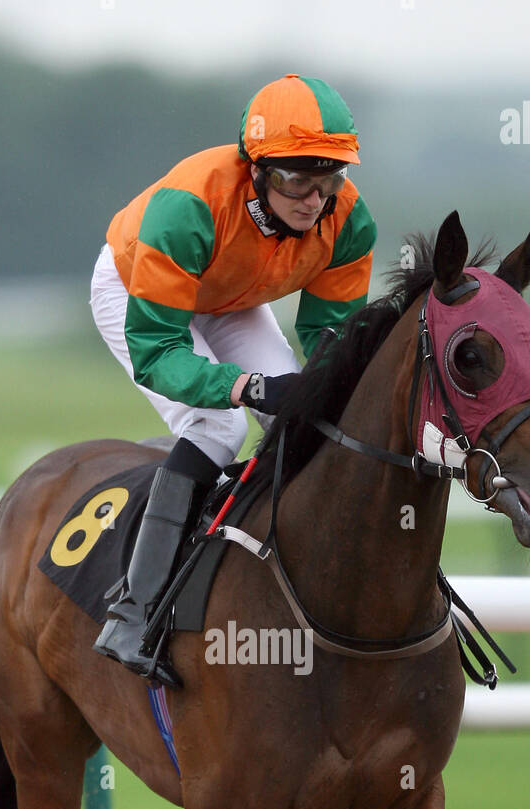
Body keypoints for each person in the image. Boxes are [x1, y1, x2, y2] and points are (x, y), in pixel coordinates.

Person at [90, 72, 376, 687]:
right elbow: (158, 350)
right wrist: (243, 388)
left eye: (330, 179)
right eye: (297, 178)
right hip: (139, 291)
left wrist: (308, 390)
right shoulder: (186, 207)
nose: (314, 200)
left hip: (232, 295)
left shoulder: (348, 221)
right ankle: (134, 615)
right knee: (218, 423)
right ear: (256, 170)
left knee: (301, 416)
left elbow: (332, 338)